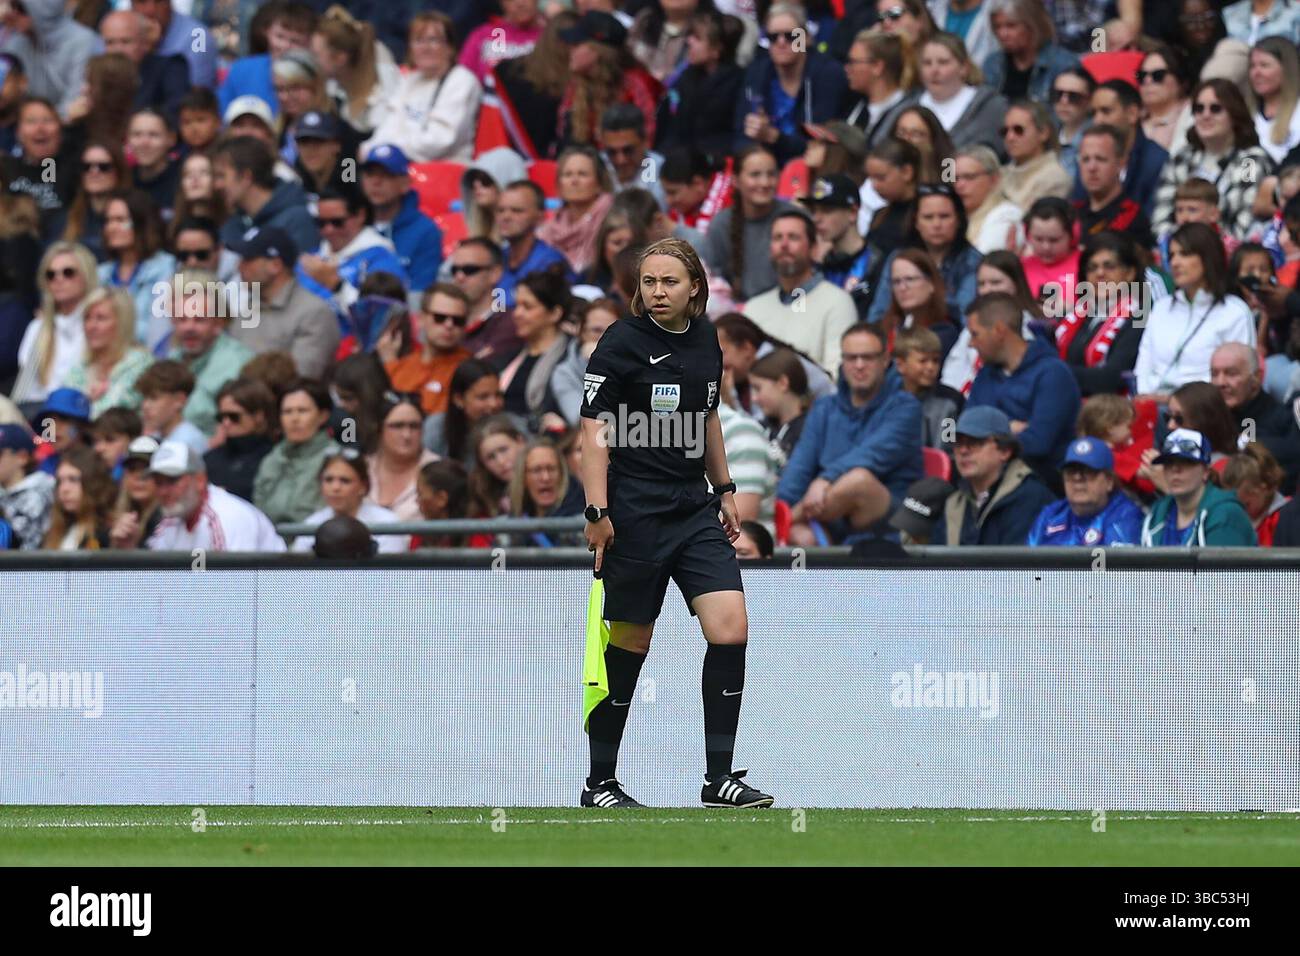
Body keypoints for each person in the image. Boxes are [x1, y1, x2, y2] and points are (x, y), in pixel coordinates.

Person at [578, 235, 773, 810]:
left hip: (693, 506)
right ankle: (601, 782)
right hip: (633, 510)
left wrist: (726, 486)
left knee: (730, 626)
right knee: (631, 644)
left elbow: (707, 415)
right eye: (648, 282)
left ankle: (719, 778)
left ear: (694, 288)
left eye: (669, 282)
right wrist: (598, 510)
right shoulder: (621, 341)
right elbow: (594, 430)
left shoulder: (707, 338)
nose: (657, 292)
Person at [777, 322, 922, 545]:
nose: (859, 365)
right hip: (830, 515)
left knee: (859, 481)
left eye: (868, 357)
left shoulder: (905, 407)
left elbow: (871, 455)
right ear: (843, 362)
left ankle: (782, 525)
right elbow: (801, 464)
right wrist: (783, 502)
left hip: (889, 515)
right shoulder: (825, 407)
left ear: (885, 360)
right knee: (801, 536)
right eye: (851, 358)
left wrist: (825, 479)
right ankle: (787, 523)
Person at [967, 291, 1082, 486]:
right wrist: (1008, 428)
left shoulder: (1053, 374)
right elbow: (956, 427)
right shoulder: (986, 374)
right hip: (988, 480)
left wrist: (985, 434)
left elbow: (1037, 444)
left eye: (975, 334)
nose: (971, 343)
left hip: (1039, 485)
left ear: (999, 330)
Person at [1135, 223, 1256, 400]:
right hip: (1152, 405)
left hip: (1205, 410)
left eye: (1184, 254)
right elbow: (1143, 367)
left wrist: (1174, 401)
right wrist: (1145, 396)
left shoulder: (1235, 312)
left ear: (1208, 258)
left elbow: (1237, 379)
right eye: (1172, 255)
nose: (1174, 262)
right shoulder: (1161, 307)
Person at [1152, 79, 1273, 242]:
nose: (1205, 115)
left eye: (1215, 109)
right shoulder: (1181, 158)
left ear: (1234, 114)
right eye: (1198, 109)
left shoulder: (1250, 162)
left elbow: (1245, 223)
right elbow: (1160, 220)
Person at [743, 210, 859, 375]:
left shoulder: (838, 302)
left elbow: (836, 375)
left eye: (793, 237)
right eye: (777, 238)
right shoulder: (754, 308)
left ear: (813, 248)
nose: (784, 244)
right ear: (770, 248)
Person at [733, 2, 847, 166]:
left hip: (811, 167)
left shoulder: (827, 75)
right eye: (773, 37)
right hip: (765, 166)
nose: (781, 43)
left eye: (791, 36)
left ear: (805, 38)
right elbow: (740, 134)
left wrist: (774, 137)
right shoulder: (757, 72)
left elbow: (822, 144)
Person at [361, 10, 481, 164]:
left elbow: (440, 140)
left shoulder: (462, 80)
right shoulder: (410, 79)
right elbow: (389, 124)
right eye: (418, 40)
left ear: (450, 47)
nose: (425, 47)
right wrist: (370, 148)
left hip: (444, 170)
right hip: (399, 165)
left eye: (433, 40)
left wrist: (386, 151)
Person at [225, 226, 339, 380]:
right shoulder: (249, 306)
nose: (239, 267)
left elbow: (301, 377)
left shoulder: (314, 313)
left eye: (248, 259)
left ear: (275, 265)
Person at [932, 404, 1056, 545]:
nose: (963, 451)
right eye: (958, 443)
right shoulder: (954, 502)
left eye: (975, 442)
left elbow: (1020, 564)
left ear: (1005, 451)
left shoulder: (1031, 498)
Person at [145, 440, 286, 551]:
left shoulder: (229, 517)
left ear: (200, 480)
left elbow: (238, 583)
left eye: (172, 480)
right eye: (158, 482)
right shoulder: (173, 518)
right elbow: (155, 577)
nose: (163, 491)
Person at [1057, 231, 1149, 397]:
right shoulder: (1075, 315)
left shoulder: (1140, 317)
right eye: (1092, 268)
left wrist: (1053, 372)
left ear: (1130, 274)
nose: (1099, 273)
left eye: (1109, 266)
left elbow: (1111, 378)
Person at [701, 145, 796, 302]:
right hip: (739, 315)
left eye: (771, 174)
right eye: (755, 175)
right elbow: (712, 282)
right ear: (736, 181)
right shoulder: (721, 224)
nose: (765, 183)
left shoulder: (794, 217)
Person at [10, 242, 98, 406]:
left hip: (84, 412)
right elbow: (23, 392)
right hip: (40, 416)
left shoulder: (98, 326)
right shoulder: (37, 328)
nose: (58, 279)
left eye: (68, 272)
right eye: (51, 274)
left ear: (87, 276)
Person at [296, 187, 409, 315]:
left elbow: (380, 317)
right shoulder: (311, 258)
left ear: (360, 215)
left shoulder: (383, 260)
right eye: (321, 223)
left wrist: (337, 286)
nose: (328, 230)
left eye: (337, 222)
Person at [557, 10, 658, 149]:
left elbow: (648, 139)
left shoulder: (636, 85)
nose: (570, 50)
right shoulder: (576, 87)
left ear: (597, 51)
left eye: (576, 44)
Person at [1139, 428, 1258, 545]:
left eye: (1186, 462)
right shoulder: (1158, 511)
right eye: (1169, 463)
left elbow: (1221, 564)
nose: (1175, 469)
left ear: (1205, 471)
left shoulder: (1226, 514)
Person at [654, 8, 744, 156]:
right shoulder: (686, 77)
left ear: (717, 49)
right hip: (676, 158)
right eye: (690, 35)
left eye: (697, 38)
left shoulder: (738, 83)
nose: (689, 41)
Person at [1211, 341, 1300, 492]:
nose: (1221, 382)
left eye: (1231, 373)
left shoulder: (1281, 422)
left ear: (1256, 378)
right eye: (1214, 374)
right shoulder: (1209, 416)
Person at [214, 135, 320, 258]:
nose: (217, 185)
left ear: (245, 177)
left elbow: (305, 273)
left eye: (221, 176)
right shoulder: (233, 225)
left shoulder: (297, 220)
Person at [1026, 437, 1145, 546]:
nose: (1077, 479)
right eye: (1071, 472)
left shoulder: (1125, 515)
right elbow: (1026, 563)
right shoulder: (1051, 514)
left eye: (1088, 472)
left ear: (1109, 481)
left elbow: (1114, 567)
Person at [254, 378, 341, 525]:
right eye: (287, 412)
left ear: (323, 416)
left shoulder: (336, 459)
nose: (294, 419)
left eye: (302, 411)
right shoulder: (271, 459)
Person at [358, 144, 443, 295]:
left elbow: (420, 292)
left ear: (405, 184)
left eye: (386, 175)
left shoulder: (425, 231)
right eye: (370, 174)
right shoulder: (347, 223)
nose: (376, 182)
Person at [499, 270, 574, 435]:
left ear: (555, 313)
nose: (517, 314)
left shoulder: (571, 358)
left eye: (527, 307)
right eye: (517, 305)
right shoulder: (509, 357)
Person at [291, 450, 409, 553]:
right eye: (328, 480)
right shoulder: (311, 524)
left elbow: (389, 573)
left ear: (363, 486)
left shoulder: (387, 523)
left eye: (345, 481)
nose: (335, 487)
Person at [309, 5, 398, 136]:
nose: (311, 61)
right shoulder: (333, 89)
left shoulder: (379, 103)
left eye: (316, 55)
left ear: (340, 59)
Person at [0, 0, 96, 120]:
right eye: (12, 6)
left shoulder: (83, 42)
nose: (12, 14)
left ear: (45, 10)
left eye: (21, 9)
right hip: (26, 127)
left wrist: (46, 122)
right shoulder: (17, 43)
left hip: (73, 128)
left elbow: (77, 101)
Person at [63, 288, 151, 417]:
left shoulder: (140, 363)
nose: (91, 326)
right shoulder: (80, 367)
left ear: (122, 323)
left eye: (101, 318)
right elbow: (61, 414)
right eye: (87, 318)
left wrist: (84, 404)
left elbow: (112, 413)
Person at [915, 33, 1006, 153]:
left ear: (964, 67)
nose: (934, 70)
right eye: (927, 63)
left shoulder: (991, 107)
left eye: (943, 62)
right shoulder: (907, 106)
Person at [981, 0, 1080, 105]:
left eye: (1011, 26)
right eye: (997, 27)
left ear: (1032, 25)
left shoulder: (1063, 65)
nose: (1002, 34)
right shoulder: (992, 63)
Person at [537, 146, 616, 276]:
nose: (574, 181)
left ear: (599, 183)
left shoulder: (611, 217)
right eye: (567, 175)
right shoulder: (550, 227)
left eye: (582, 174)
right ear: (559, 184)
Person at [1073, 125, 1154, 250]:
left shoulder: (1134, 218)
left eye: (1100, 159)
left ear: (1121, 164)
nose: (1092, 168)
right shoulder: (1070, 213)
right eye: (1085, 159)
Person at [496, 181, 576, 307]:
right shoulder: (495, 260)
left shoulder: (551, 263)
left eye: (516, 211)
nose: (506, 216)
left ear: (540, 217)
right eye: (500, 210)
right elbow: (496, 309)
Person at [876, 249, 962, 362]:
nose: (902, 288)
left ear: (931, 284)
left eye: (910, 279)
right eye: (896, 282)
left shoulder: (945, 333)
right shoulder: (886, 330)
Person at [100, 9, 189, 118]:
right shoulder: (98, 75)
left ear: (144, 42)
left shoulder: (170, 68)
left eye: (125, 41)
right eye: (110, 42)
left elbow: (174, 113)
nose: (118, 50)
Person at [366, 391, 438, 522]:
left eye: (414, 426)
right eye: (397, 426)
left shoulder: (438, 471)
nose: (407, 435)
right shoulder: (361, 468)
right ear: (379, 429)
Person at [204, 377, 277, 503]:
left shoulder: (273, 458)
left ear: (258, 416)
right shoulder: (210, 458)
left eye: (234, 417)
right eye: (221, 417)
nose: (226, 423)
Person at [450, 239, 521, 366]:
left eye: (470, 269)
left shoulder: (510, 324)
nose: (459, 277)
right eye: (454, 270)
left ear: (495, 274)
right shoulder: (444, 319)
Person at [895, 324, 964, 452]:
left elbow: (948, 445)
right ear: (901, 365)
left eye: (935, 360)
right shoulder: (887, 399)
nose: (931, 367)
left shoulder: (950, 402)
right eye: (923, 361)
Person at [423, 358, 506, 463]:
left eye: (498, 395)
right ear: (459, 399)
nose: (494, 404)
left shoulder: (515, 426)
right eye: (483, 397)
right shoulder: (437, 429)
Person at [800, 174, 871, 296]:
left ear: (853, 213)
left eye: (827, 210)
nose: (816, 218)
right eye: (813, 211)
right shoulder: (815, 267)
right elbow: (798, 309)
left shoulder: (876, 264)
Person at [998, 100, 1073, 211]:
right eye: (1005, 131)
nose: (1010, 137)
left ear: (1043, 133)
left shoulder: (1055, 179)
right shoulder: (1000, 174)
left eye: (1019, 130)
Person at [843, 30, 912, 148]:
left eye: (853, 62)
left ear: (877, 67)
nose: (847, 68)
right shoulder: (855, 105)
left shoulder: (906, 113)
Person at [62, 141, 128, 263]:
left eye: (103, 167)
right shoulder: (66, 219)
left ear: (118, 172)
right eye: (86, 167)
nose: (94, 172)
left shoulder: (133, 216)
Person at [44, 444, 114, 550]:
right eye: (60, 481)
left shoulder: (108, 533)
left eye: (73, 479)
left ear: (93, 483)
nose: (64, 489)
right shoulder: (53, 532)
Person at [748, 347, 809, 468]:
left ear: (782, 383)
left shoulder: (810, 430)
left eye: (758, 388)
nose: (753, 398)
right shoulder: (760, 428)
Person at [954, 145, 1021, 254]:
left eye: (969, 177)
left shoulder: (1006, 214)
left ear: (994, 179)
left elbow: (983, 260)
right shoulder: (954, 217)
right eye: (955, 178)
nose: (959, 185)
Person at [459, 0, 544, 84]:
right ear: (502, 3)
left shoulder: (550, 37)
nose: (520, 3)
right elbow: (462, 79)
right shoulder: (482, 35)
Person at [1222, 441, 1290, 545]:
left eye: (1246, 505)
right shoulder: (1231, 518)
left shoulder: (1283, 517)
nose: (1240, 511)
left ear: (1263, 489)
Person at [0, 422, 53, 548]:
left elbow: (22, 545)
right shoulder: (5, 494)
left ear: (22, 457)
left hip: (31, 566)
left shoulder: (37, 494)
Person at [107, 434, 163, 549]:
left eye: (147, 469)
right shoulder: (112, 516)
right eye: (132, 469)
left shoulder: (168, 521)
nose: (139, 476)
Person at [1138, 44, 1193, 157]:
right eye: (1142, 75)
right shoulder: (1131, 118)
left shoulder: (1196, 115)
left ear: (1181, 80)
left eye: (1158, 75)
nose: (1148, 81)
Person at [1051, 66, 1095, 178]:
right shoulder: (1045, 135)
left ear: (1091, 101)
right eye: (1058, 94)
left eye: (1074, 97)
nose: (1064, 101)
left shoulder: (1097, 141)